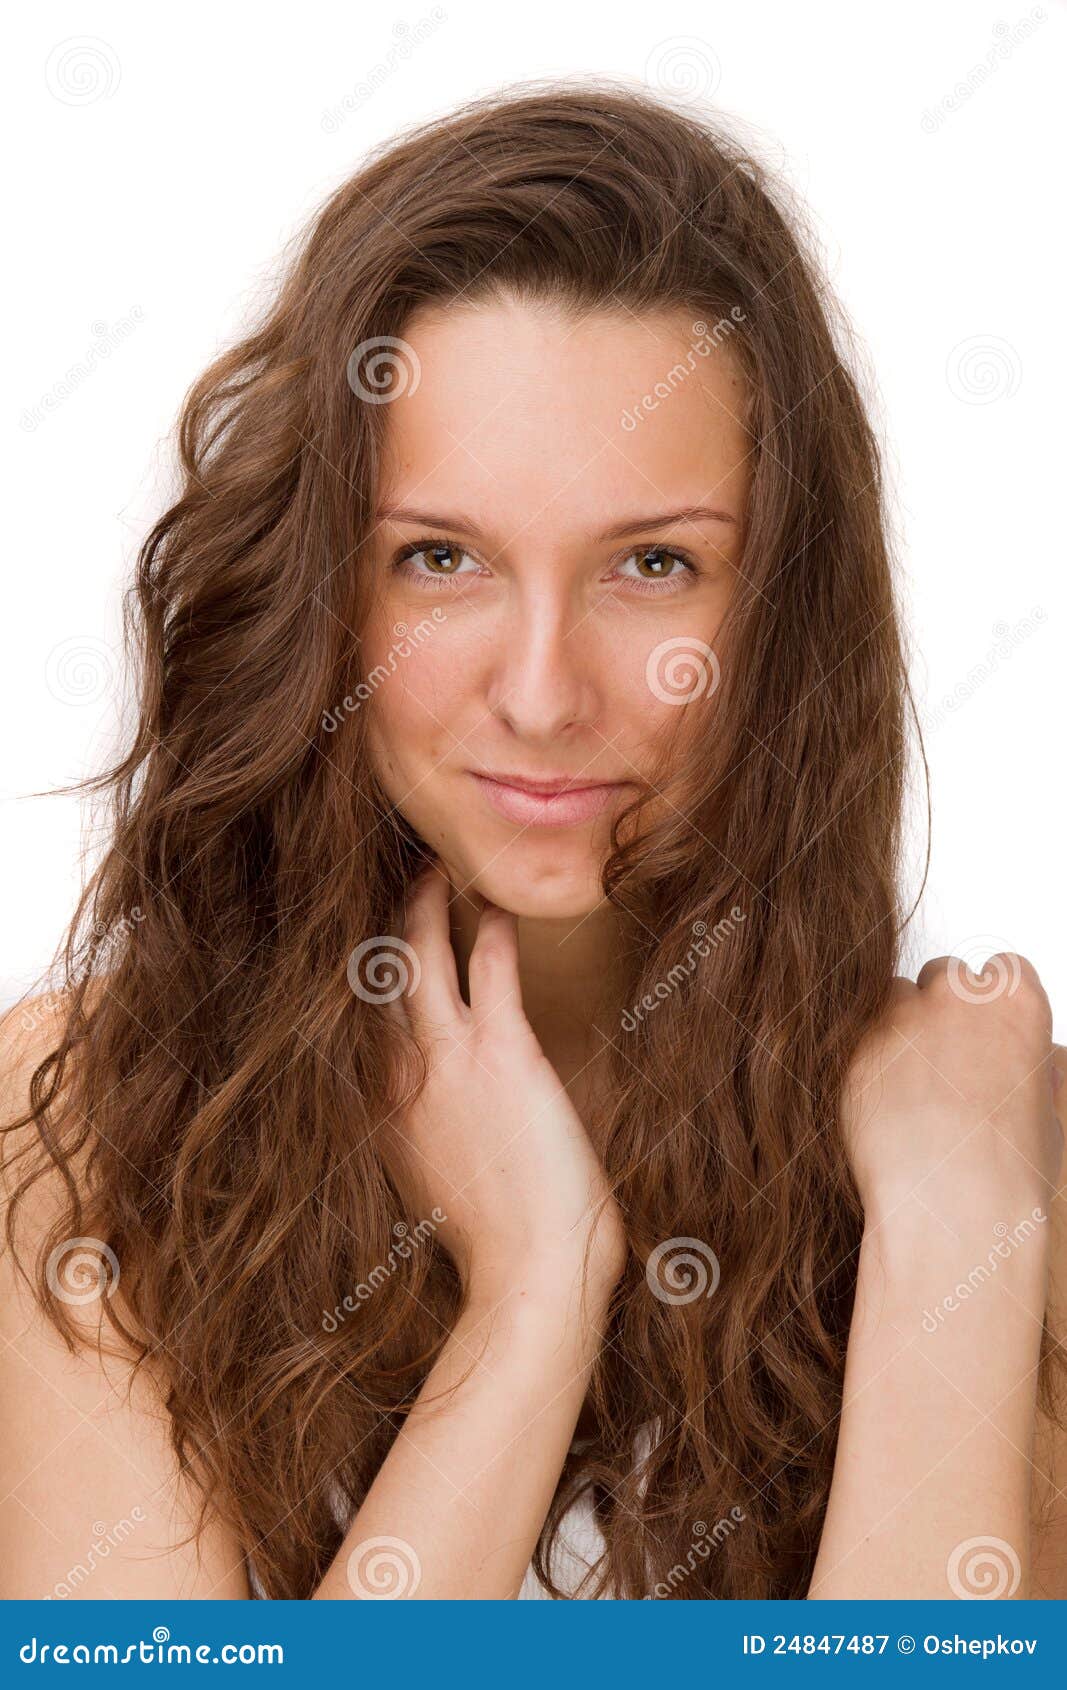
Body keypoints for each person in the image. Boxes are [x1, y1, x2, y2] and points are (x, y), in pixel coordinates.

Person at [1, 81, 1064, 1602]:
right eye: (441, 558)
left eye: (654, 562)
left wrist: (955, 1238)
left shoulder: (992, 1157)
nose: (544, 691)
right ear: (322, 595)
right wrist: (533, 1302)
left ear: (782, 610)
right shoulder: (88, 1131)